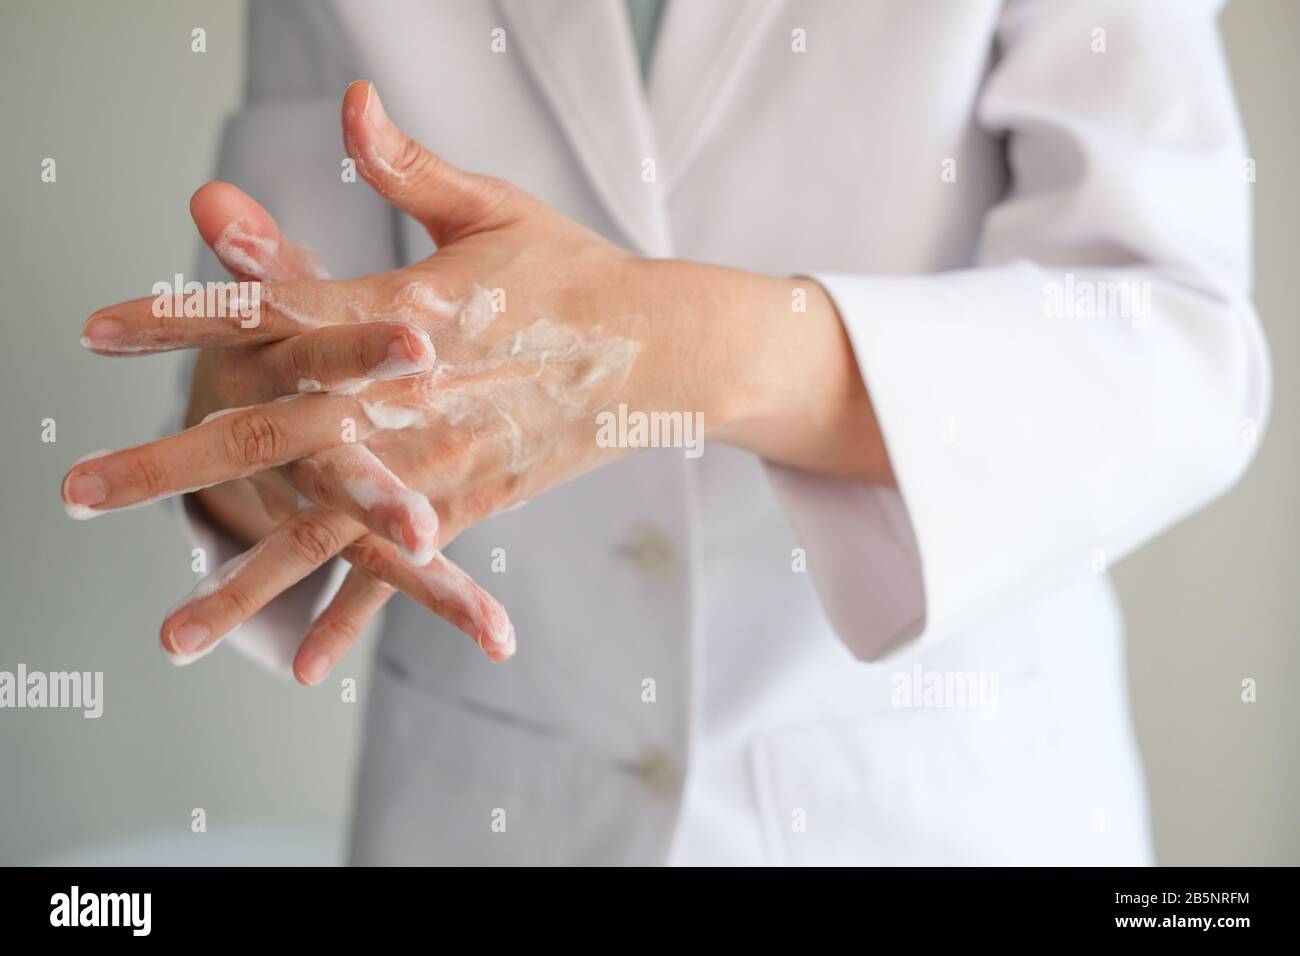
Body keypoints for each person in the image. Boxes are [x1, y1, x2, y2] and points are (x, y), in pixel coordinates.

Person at [63, 0, 1270, 865]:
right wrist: (275, 457)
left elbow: (1173, 343)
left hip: (939, 800)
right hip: (491, 807)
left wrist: (666, 343)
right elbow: (289, 342)